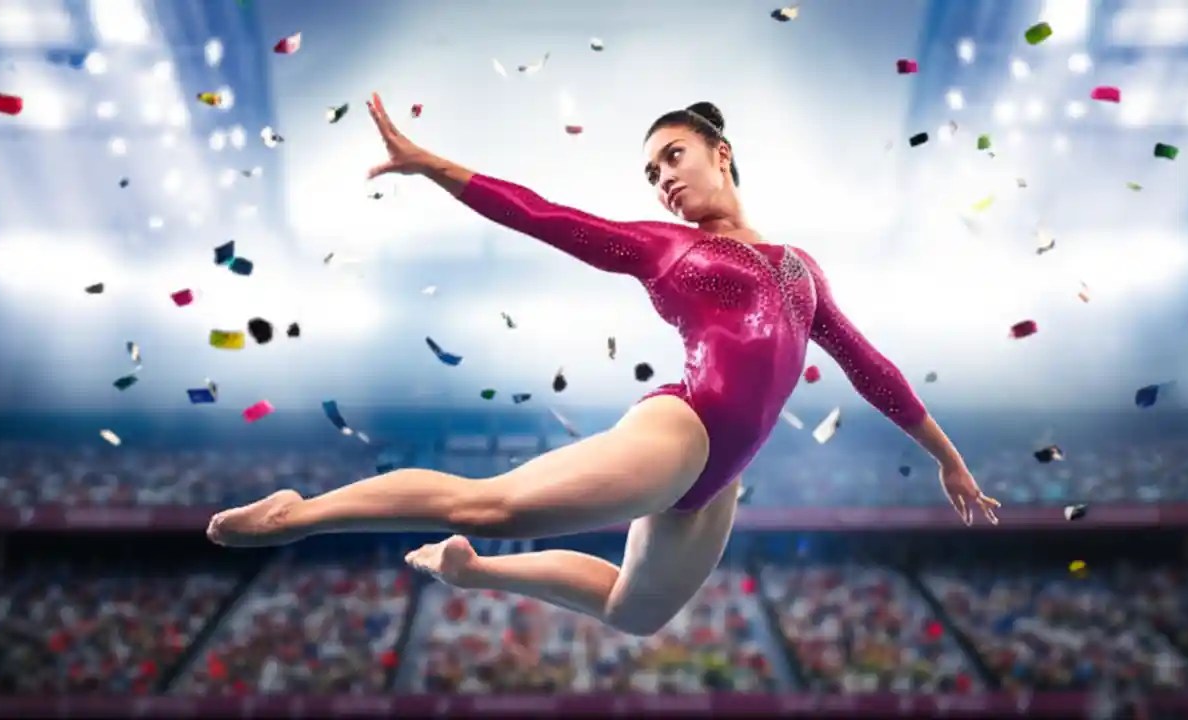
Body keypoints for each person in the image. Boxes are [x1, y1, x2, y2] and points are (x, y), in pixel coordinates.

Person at [207, 94, 1000, 636]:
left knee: (635, 612)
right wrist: (433, 166)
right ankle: (296, 514)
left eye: (673, 158)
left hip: (720, 479)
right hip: (684, 428)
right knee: (493, 505)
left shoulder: (802, 268)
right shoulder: (666, 246)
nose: (662, 182)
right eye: (652, 174)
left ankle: (475, 574)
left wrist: (951, 461)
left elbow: (869, 366)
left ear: (722, 154)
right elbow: (546, 217)